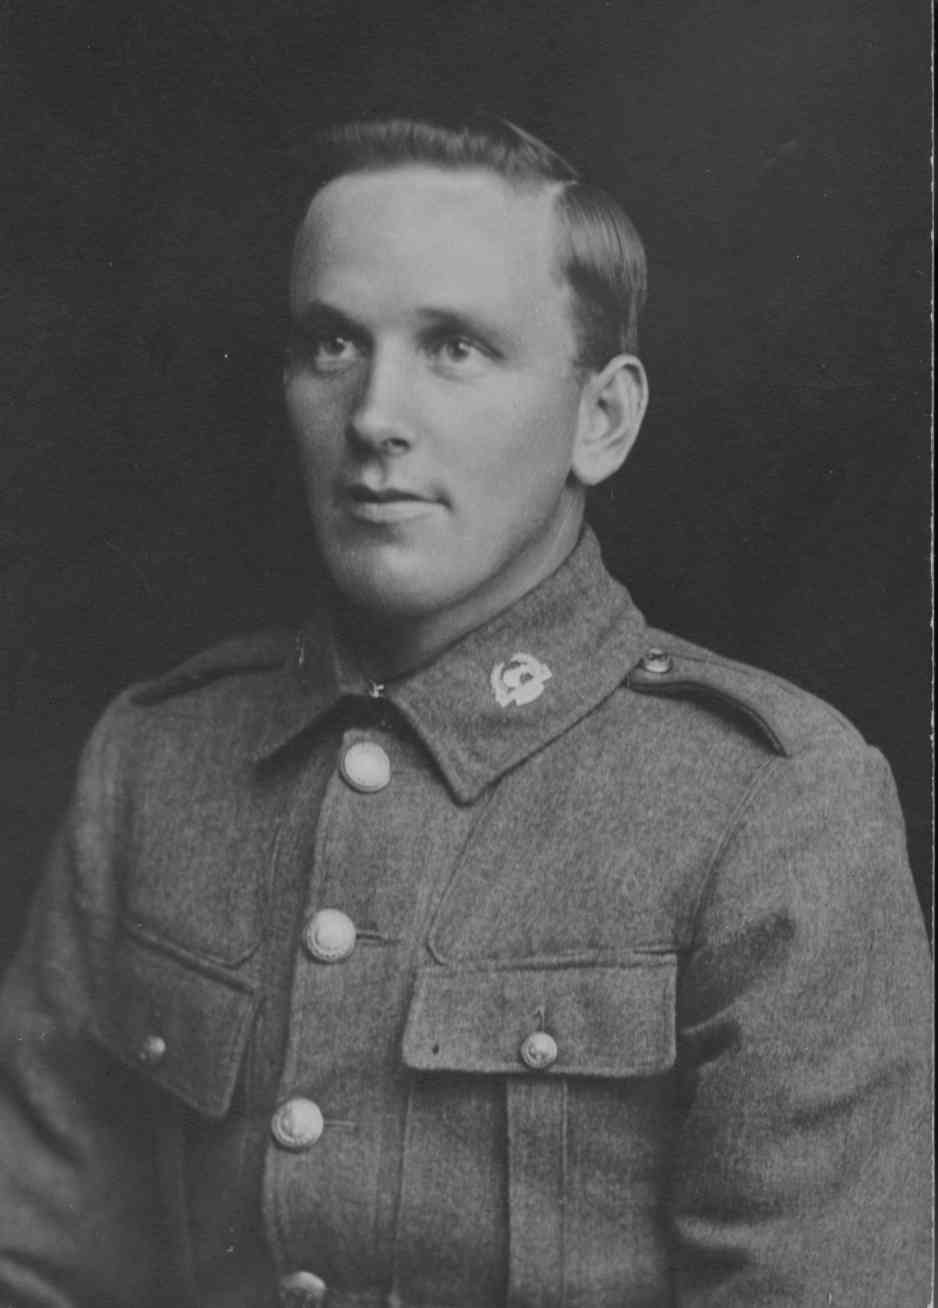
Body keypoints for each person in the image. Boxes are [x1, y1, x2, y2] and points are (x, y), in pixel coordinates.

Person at [0, 115, 930, 1308]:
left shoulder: (771, 805)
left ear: (601, 418)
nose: (376, 414)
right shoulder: (158, 758)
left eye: (455, 347)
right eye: (331, 342)